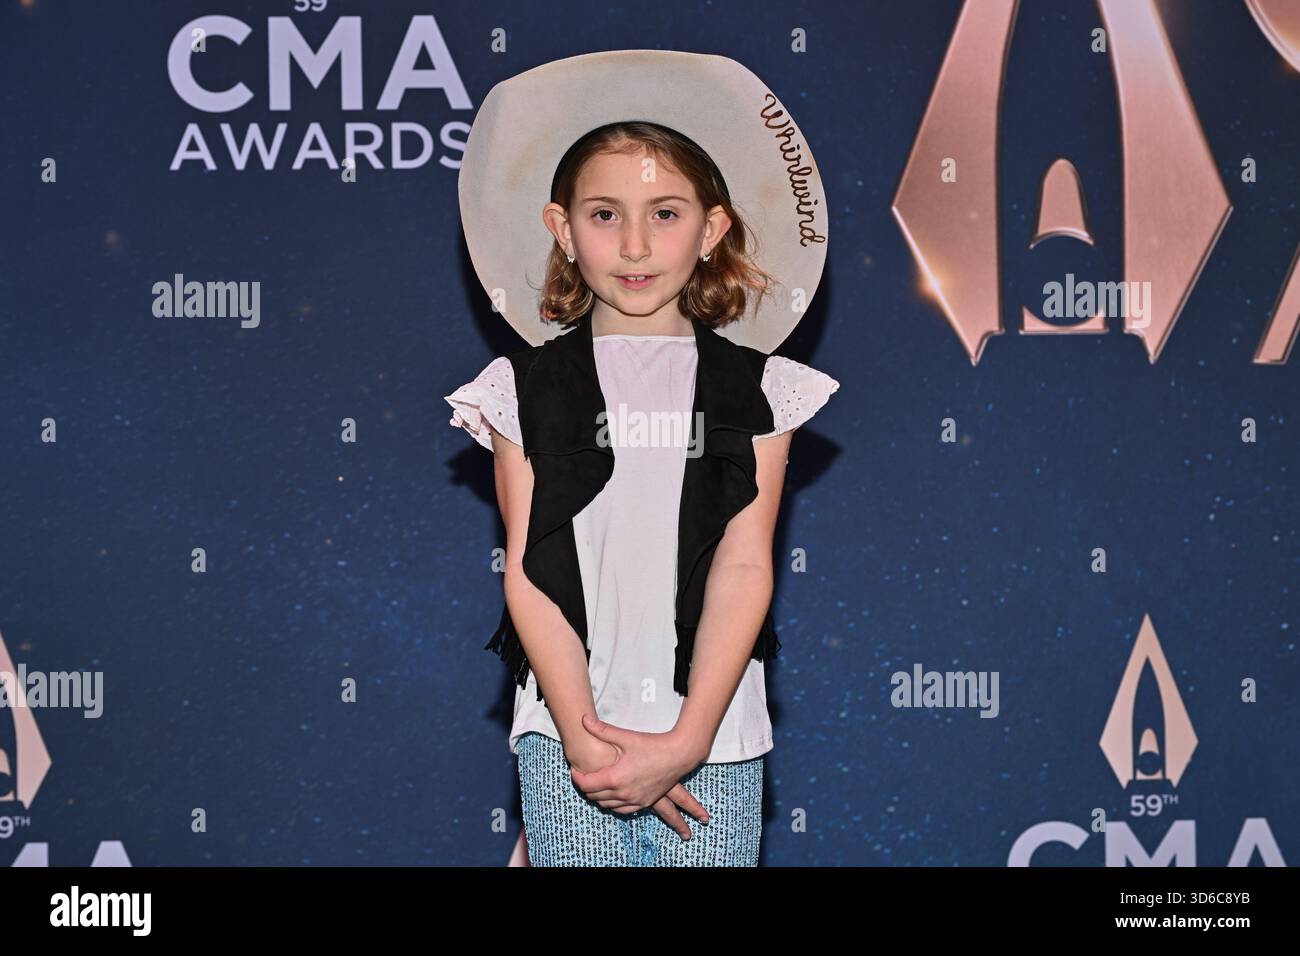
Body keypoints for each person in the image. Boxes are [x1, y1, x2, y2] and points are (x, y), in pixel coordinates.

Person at [446, 51, 837, 866]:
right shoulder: (519, 388)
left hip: (716, 745)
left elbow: (742, 566)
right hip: (566, 742)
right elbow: (527, 569)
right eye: (603, 214)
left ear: (713, 228)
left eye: (665, 213)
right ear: (561, 227)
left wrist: (686, 741)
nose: (633, 243)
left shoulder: (762, 389)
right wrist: (587, 742)